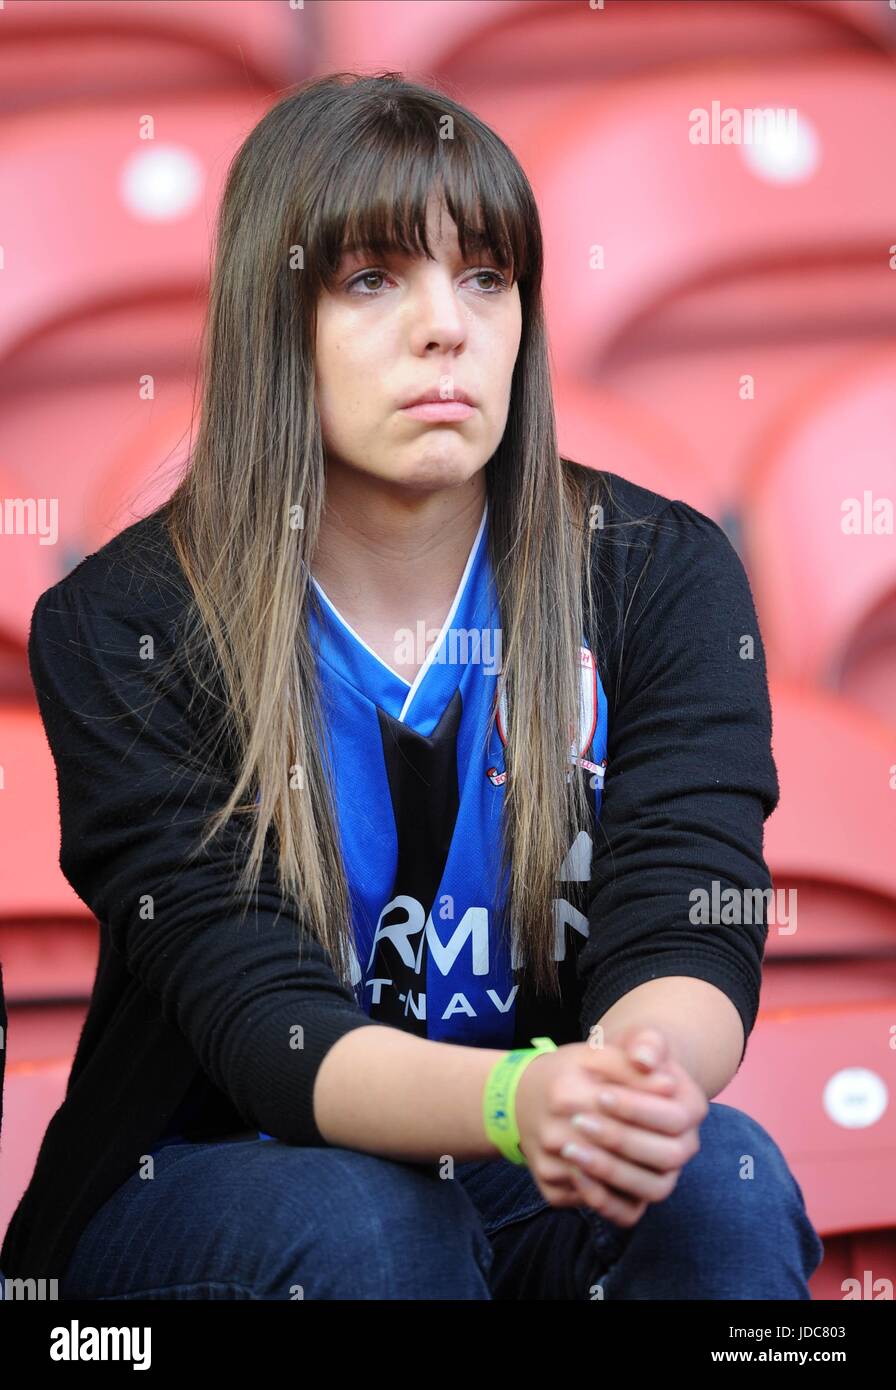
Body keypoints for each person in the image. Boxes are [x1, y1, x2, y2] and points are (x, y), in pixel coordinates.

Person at [1, 72, 823, 1300]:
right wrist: (511, 1095)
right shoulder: (128, 625)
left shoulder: (657, 573)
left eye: (486, 277)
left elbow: (689, 914)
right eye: (372, 278)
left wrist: (627, 1084)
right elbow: (262, 1024)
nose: (446, 324)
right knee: (370, 1223)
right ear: (274, 318)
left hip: (505, 1160)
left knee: (715, 1181)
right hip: (206, 1190)